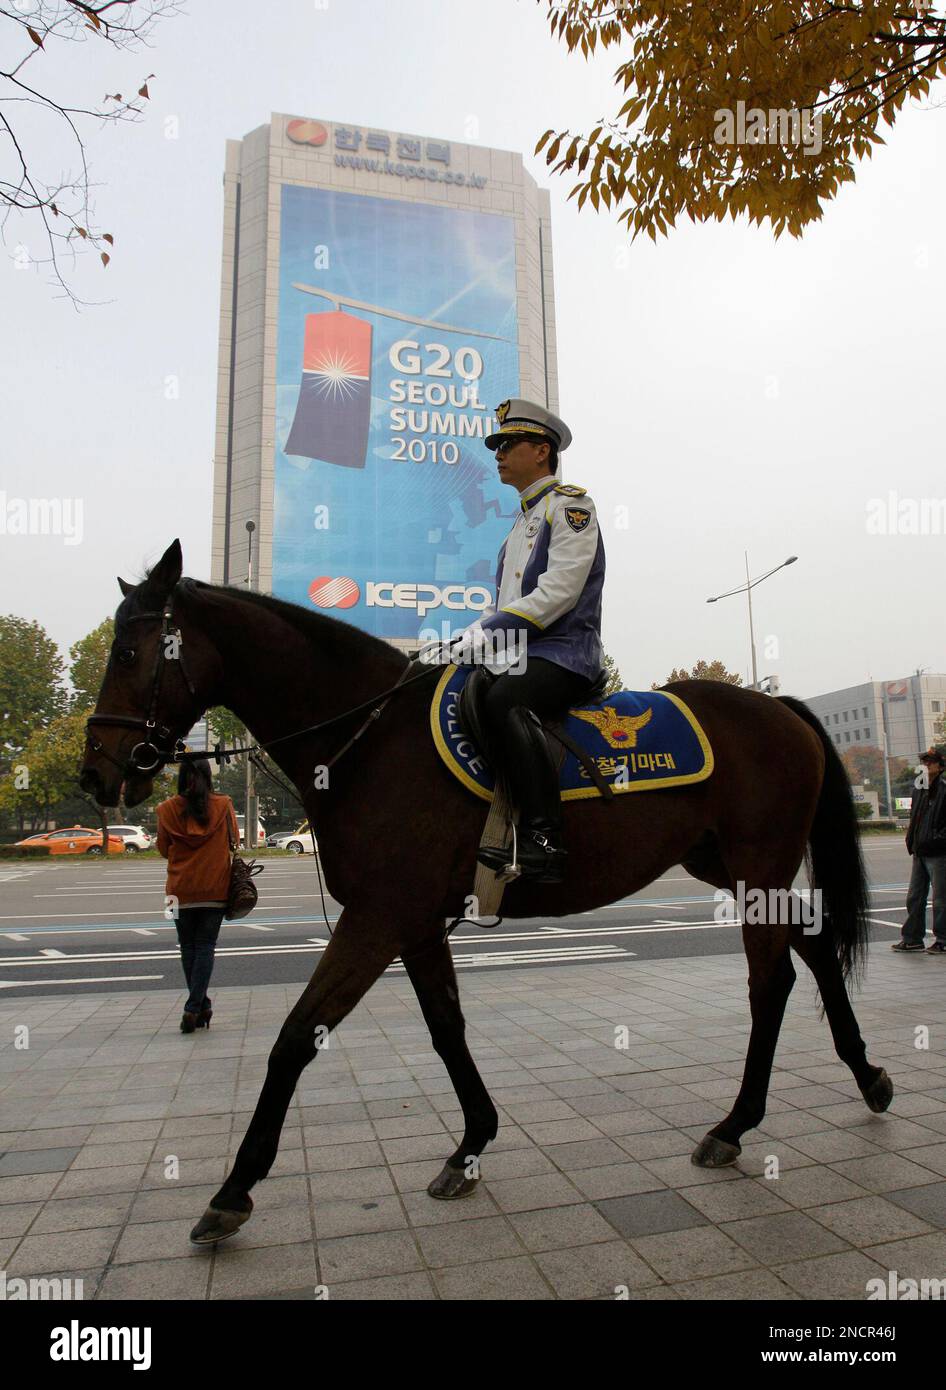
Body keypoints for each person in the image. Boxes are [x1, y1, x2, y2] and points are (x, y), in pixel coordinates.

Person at [448, 398, 605, 883]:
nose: (497, 453)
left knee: (505, 702)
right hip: (522, 653)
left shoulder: (572, 506)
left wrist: (491, 632)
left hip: (566, 654)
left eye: (507, 443)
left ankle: (544, 837)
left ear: (541, 451)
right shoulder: (517, 526)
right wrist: (467, 638)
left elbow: (558, 593)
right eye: (497, 445)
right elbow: (504, 603)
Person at [156, 759, 239, 1030]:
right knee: (204, 946)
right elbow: (234, 841)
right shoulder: (223, 804)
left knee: (188, 946)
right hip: (214, 888)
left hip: (179, 890)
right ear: (208, 776)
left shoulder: (166, 809)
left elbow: (162, 849)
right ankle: (196, 1007)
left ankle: (199, 1006)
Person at [892, 746, 946, 954]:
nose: (926, 764)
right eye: (924, 761)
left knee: (941, 899)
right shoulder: (920, 788)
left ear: (940, 766)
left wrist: (936, 840)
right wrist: (912, 840)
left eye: (930, 761)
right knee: (915, 896)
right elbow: (915, 818)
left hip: (939, 851)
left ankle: (942, 938)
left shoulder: (943, 788)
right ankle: (913, 938)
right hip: (920, 850)